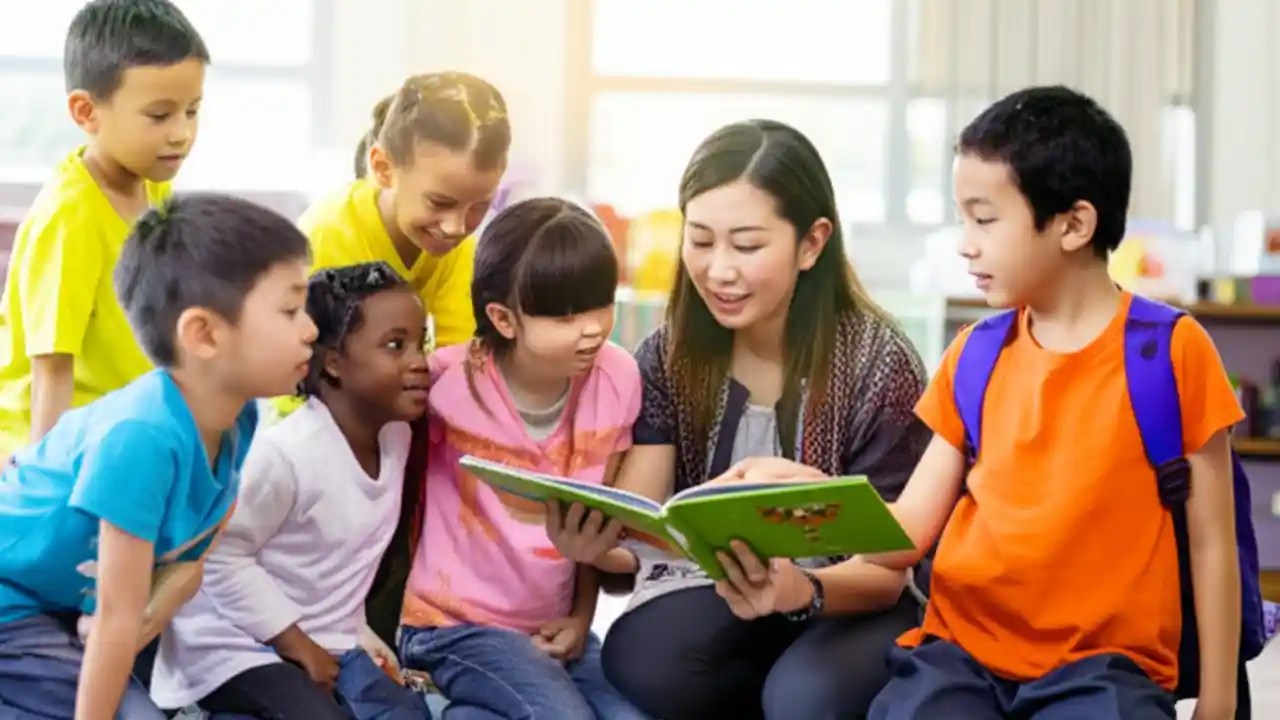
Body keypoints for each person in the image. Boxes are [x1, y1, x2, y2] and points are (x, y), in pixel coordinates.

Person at [862, 86, 1244, 720]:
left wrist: (1221, 703)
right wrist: (801, 509)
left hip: (1105, 672)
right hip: (963, 656)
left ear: (1073, 224)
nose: (965, 244)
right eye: (963, 219)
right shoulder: (975, 355)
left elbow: (1212, 545)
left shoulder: (1171, 352)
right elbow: (907, 530)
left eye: (984, 219)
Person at [544, 119, 931, 720]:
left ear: (811, 243)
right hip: (724, 587)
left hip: (853, 596)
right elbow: (646, 537)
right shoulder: (669, 357)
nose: (718, 270)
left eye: (747, 246)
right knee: (640, 658)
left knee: (808, 700)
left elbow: (886, 569)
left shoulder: (881, 366)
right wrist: (594, 548)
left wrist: (800, 591)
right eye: (700, 241)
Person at [0, 193, 316, 720]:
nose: (309, 329)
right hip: (13, 602)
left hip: (66, 608)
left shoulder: (238, 417)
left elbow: (188, 566)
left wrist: (135, 618)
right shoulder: (141, 437)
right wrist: (117, 625)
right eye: (289, 310)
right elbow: (116, 621)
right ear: (203, 334)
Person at [398, 197, 647, 720]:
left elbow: (589, 519)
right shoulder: (444, 384)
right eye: (564, 315)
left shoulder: (617, 378)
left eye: (601, 302)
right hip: (451, 626)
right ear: (503, 319)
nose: (592, 328)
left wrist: (581, 619)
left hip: (553, 630)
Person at [150, 262, 430, 718]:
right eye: (395, 346)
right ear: (334, 362)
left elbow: (336, 570)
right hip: (232, 644)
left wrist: (361, 638)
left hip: (328, 637)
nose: (419, 361)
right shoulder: (286, 455)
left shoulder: (396, 437)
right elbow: (220, 556)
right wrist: (297, 644)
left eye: (423, 342)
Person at [0, 0, 209, 459]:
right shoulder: (70, 215)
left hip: (123, 433)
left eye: (191, 111)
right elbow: (50, 370)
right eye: (159, 115)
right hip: (57, 451)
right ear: (85, 112)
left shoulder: (153, 189)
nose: (182, 134)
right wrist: (46, 486)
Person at [300, 71, 510, 351]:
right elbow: (291, 375)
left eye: (480, 206)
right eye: (439, 203)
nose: (456, 227)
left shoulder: (459, 251)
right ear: (384, 169)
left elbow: (456, 360)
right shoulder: (327, 236)